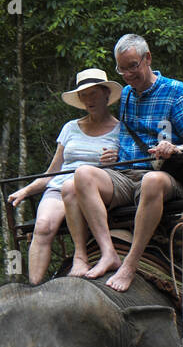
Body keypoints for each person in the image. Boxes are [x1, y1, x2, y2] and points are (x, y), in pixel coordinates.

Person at [64, 34, 183, 292]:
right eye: (122, 69)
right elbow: (128, 137)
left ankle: (131, 263)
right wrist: (113, 154)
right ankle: (108, 252)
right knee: (83, 174)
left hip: (165, 175)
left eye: (133, 66)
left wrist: (176, 148)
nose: (129, 74)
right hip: (126, 174)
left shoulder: (176, 91)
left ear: (147, 59)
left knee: (151, 181)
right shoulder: (128, 95)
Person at [7, 69, 120, 285]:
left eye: (93, 93)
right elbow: (53, 171)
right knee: (43, 226)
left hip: (91, 189)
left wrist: (115, 159)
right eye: (84, 95)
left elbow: (125, 172)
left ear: (106, 94)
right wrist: (26, 190)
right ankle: (34, 288)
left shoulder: (120, 130)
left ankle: (81, 257)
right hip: (59, 187)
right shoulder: (70, 128)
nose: (89, 100)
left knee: (74, 186)